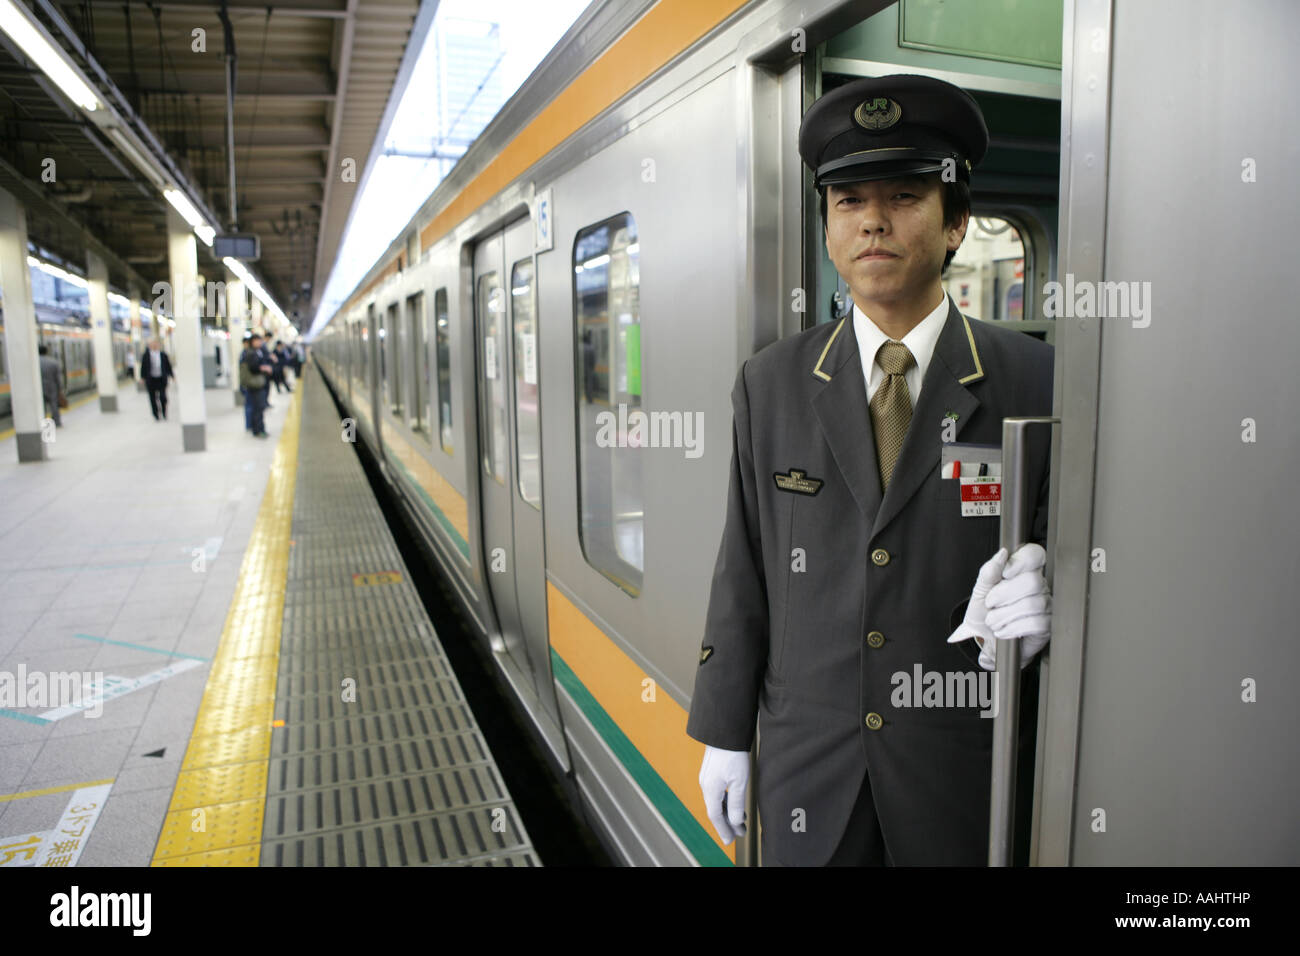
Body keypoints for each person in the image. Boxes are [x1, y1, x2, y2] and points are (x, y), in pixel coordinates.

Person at [685, 75, 1055, 867]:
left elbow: (1069, 549)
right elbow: (742, 566)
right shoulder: (772, 383)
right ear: (827, 229)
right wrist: (724, 732)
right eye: (849, 200)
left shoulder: (1034, 381)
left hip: (961, 778)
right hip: (808, 776)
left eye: (905, 195)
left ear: (957, 223)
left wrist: (1060, 598)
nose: (874, 221)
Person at [239, 332, 273, 438]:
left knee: (257, 407)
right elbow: (254, 368)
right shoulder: (250, 353)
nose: (260, 342)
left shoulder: (256, 351)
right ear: (253, 342)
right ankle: (258, 430)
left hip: (257, 384)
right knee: (258, 408)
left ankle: (256, 428)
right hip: (255, 384)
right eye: (258, 340)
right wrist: (264, 368)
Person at [138, 338, 175, 420]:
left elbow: (168, 366)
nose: (154, 345)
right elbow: (143, 367)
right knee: (152, 398)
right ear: (149, 346)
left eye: (156, 344)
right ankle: (156, 414)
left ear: (158, 345)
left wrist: (172, 375)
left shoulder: (163, 354)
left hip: (161, 379)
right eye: (152, 344)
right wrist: (142, 377)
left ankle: (164, 411)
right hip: (151, 380)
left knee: (163, 397)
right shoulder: (146, 355)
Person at [38, 344, 62, 428]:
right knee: (54, 405)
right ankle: (57, 422)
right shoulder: (53, 362)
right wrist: (60, 389)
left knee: (41, 406)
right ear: (46, 352)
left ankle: (42, 422)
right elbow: (58, 378)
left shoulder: (34, 363)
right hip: (52, 387)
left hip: (39, 388)